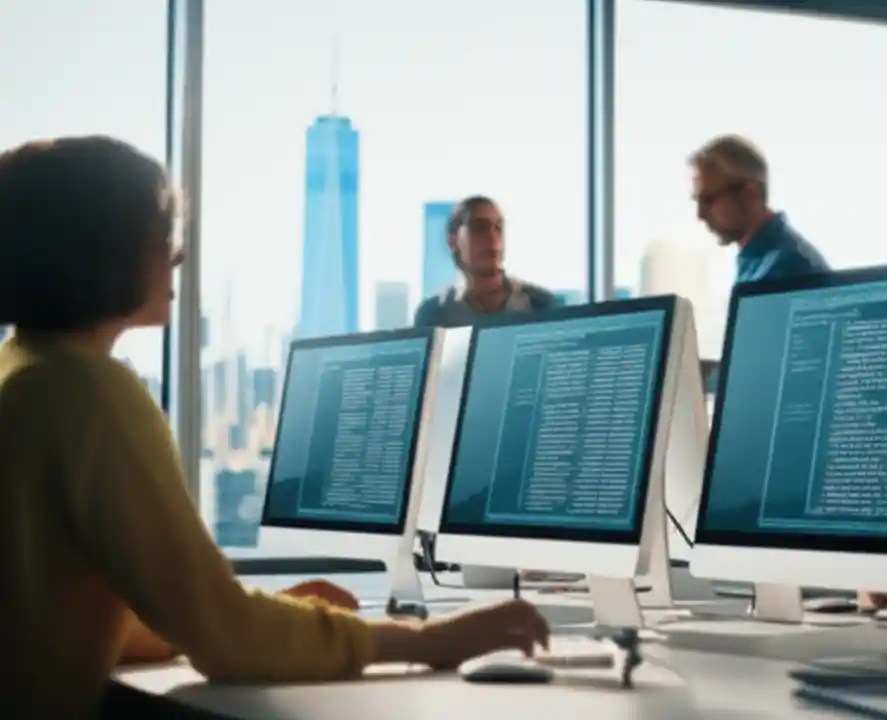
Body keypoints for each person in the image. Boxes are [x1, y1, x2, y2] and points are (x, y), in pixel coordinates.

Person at [0, 137, 549, 718]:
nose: (177, 255)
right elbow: (224, 640)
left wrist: (256, 614)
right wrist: (427, 641)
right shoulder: (91, 393)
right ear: (101, 248)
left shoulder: (24, 373)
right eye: (160, 235)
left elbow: (75, 607)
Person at [689, 135, 830, 284]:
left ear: (751, 193)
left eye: (709, 200)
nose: (700, 215)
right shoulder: (759, 260)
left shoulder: (785, 267)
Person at [413, 195, 556, 328]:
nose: (492, 237)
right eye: (479, 228)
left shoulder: (539, 304)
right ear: (453, 241)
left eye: (498, 228)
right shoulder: (433, 314)